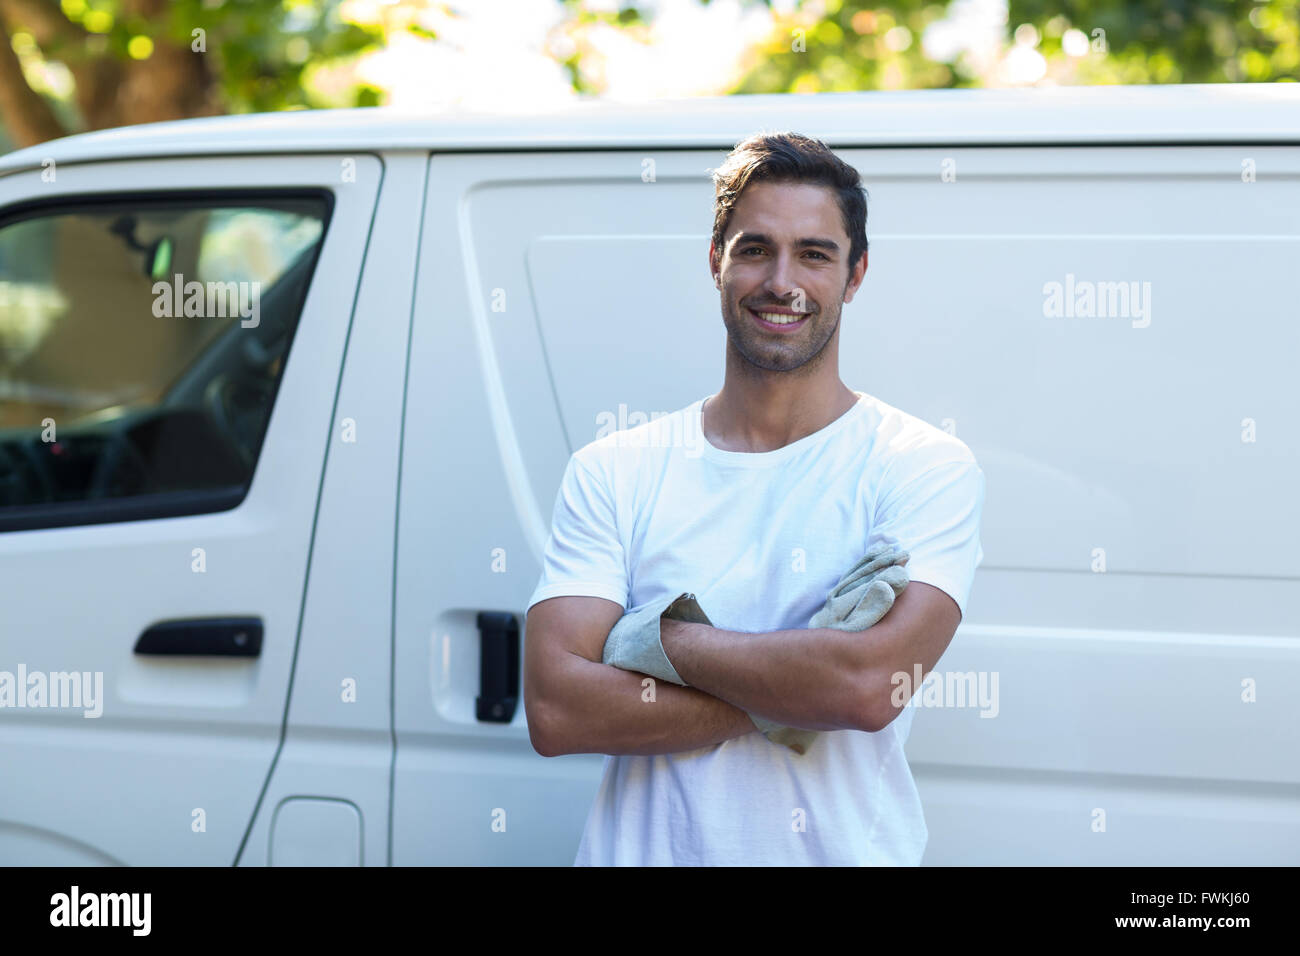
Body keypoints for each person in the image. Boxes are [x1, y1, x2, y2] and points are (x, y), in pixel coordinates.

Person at [523, 131, 986, 866]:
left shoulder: (920, 465)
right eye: (754, 249)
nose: (782, 281)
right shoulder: (614, 468)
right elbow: (555, 711)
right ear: (716, 262)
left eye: (814, 253)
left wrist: (655, 641)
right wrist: (802, 692)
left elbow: (869, 687)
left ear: (855, 273)